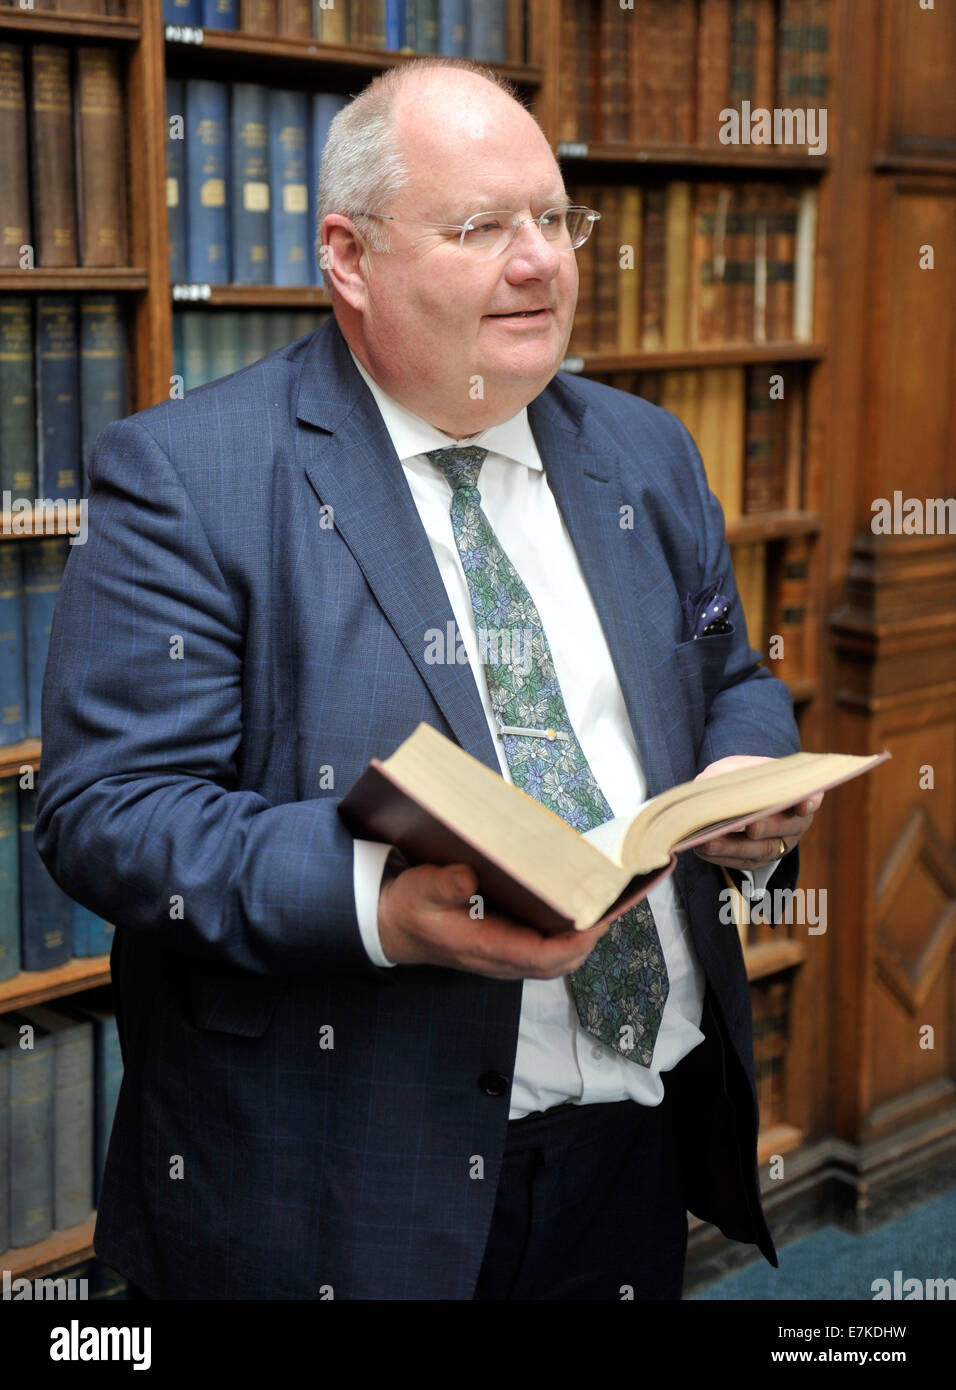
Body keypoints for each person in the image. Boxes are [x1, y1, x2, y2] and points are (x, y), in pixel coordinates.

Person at [36, 57, 821, 1300]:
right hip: (343, 1183)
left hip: (635, 1139)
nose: (540, 261)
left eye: (555, 220)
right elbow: (107, 819)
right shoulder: (188, 478)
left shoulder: (642, 451)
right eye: (479, 228)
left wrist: (743, 770)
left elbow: (726, 670)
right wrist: (379, 901)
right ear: (349, 257)